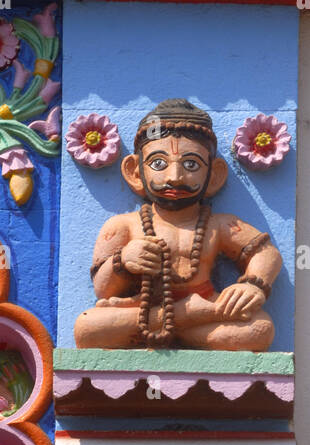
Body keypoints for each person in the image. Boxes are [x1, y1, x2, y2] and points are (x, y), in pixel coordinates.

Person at [74, 99, 282, 351]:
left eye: (191, 164)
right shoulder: (123, 225)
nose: (175, 177)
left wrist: (254, 285)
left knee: (260, 329)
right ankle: (185, 318)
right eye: (158, 164)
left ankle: (173, 327)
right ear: (135, 172)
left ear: (214, 175)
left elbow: (265, 252)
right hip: (151, 309)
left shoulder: (218, 224)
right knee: (87, 326)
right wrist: (124, 261)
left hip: (200, 305)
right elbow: (103, 290)